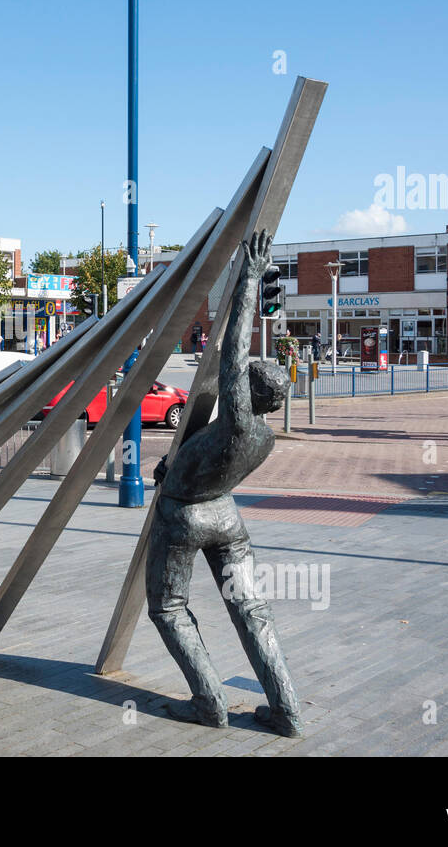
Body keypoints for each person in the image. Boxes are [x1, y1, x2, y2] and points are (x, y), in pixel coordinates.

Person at [147, 230, 302, 738]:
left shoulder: (239, 422)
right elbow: (209, 463)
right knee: (251, 608)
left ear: (251, 394)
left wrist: (249, 283)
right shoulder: (264, 440)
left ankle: (209, 703)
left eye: (247, 380)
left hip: (187, 516)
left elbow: (232, 353)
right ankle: (286, 710)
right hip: (226, 517)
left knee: (168, 608)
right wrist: (177, 468)